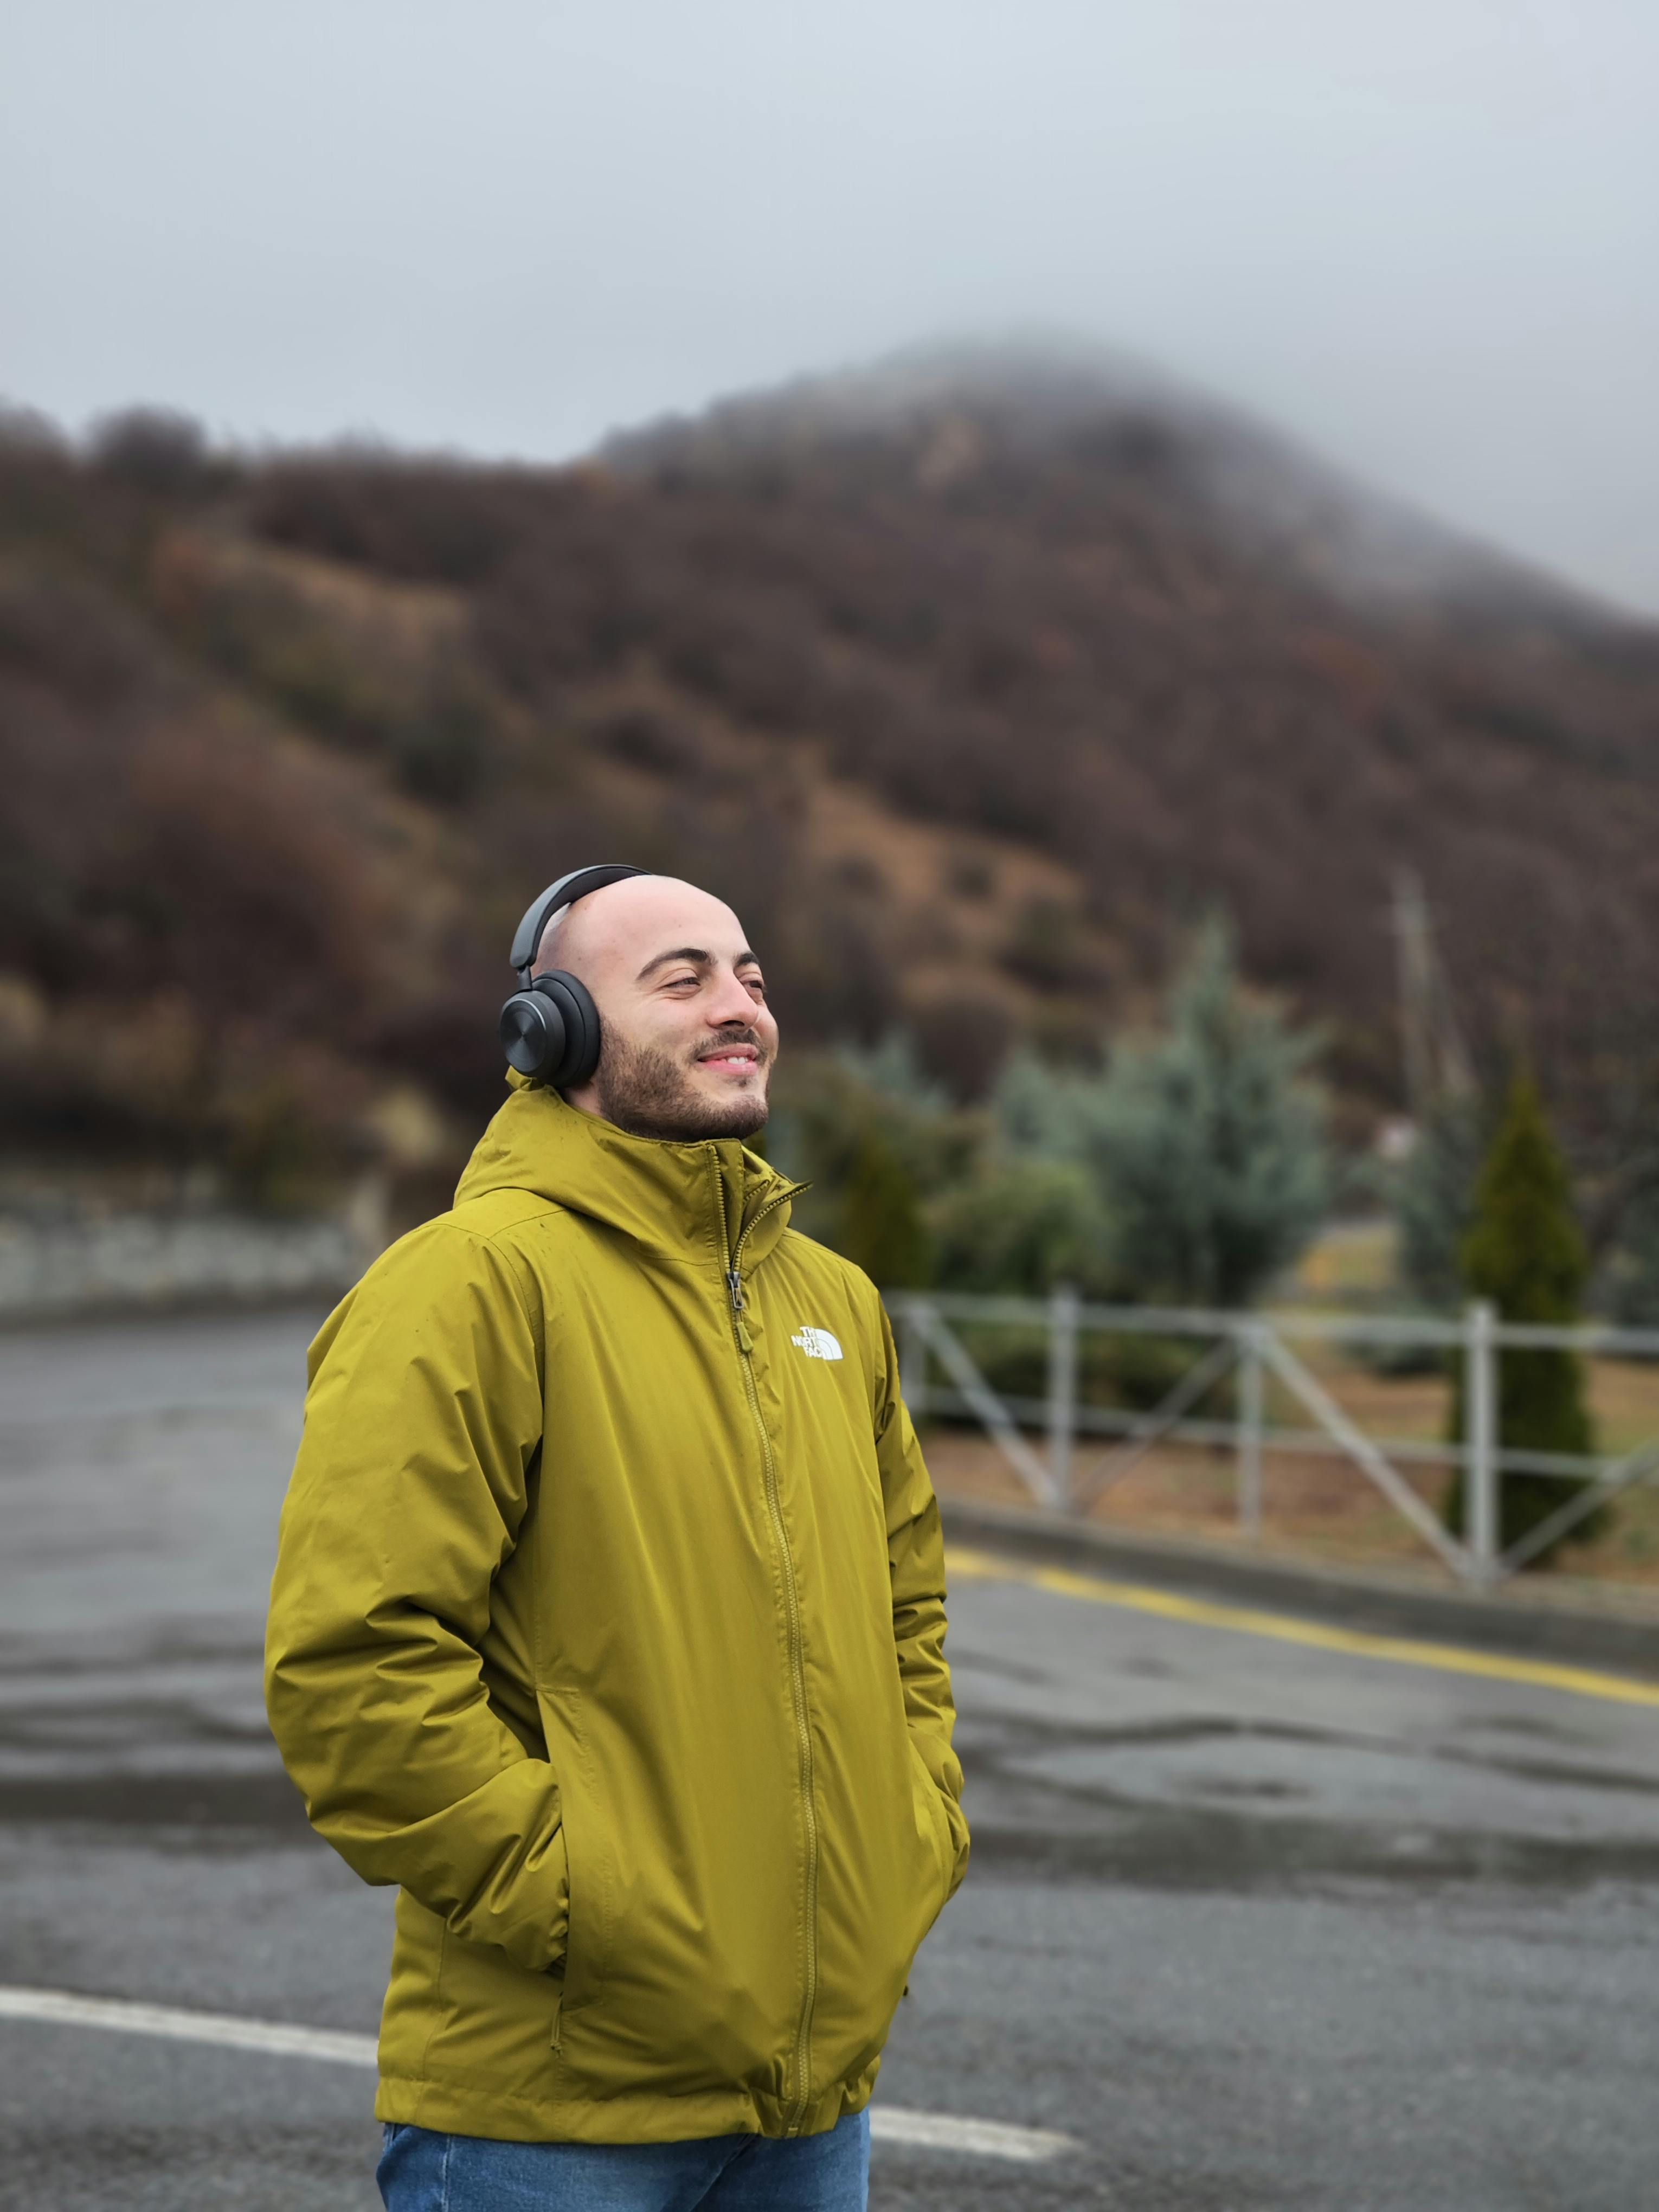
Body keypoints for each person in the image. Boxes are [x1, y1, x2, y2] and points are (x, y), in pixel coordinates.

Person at [265, 868, 968, 2212]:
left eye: (751, 975)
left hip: (814, 2107)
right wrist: (591, 1907)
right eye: (683, 977)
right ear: (556, 1032)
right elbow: (353, 1668)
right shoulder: (469, 1282)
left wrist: (914, 1830)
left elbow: (908, 1617)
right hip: (549, 2116)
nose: (738, 1006)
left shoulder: (837, 1301)